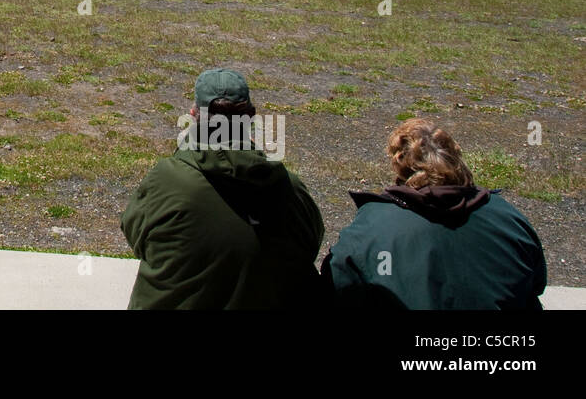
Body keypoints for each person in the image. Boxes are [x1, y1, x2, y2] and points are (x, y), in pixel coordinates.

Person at [120, 68, 325, 309]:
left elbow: (137, 236)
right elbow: (311, 243)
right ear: (251, 117)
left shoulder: (167, 180)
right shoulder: (289, 188)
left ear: (194, 115)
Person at [324, 119, 546, 309]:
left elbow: (337, 284)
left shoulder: (372, 226)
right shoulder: (508, 218)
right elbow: (536, 282)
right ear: (456, 159)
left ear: (399, 166)